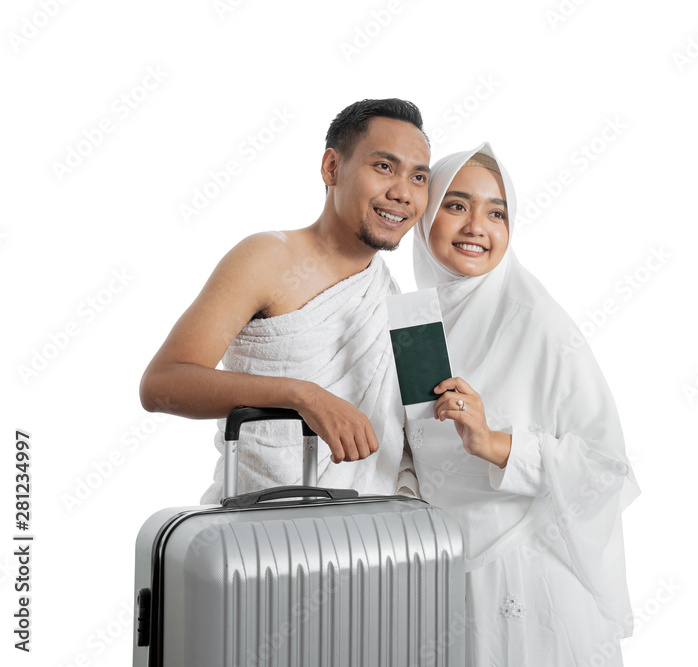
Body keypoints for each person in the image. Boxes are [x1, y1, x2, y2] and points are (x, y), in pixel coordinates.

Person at [403, 142, 639, 665]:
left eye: (496, 212)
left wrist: (494, 444)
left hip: (526, 577)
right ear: (425, 216)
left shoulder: (538, 321)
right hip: (440, 574)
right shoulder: (410, 322)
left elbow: (608, 468)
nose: (476, 227)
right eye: (456, 205)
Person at [138, 98, 431, 502]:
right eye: (384, 167)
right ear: (332, 167)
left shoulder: (396, 299)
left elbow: (424, 437)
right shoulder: (266, 258)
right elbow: (162, 384)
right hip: (258, 537)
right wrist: (302, 395)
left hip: (367, 540)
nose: (402, 193)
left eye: (419, 178)